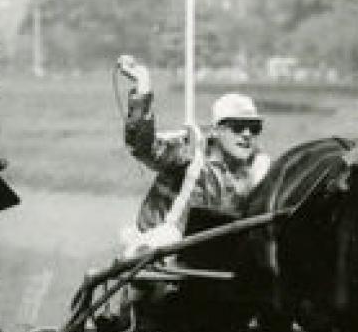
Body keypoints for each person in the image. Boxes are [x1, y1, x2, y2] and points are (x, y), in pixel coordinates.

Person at [115, 54, 272, 253]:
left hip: (220, 252)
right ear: (216, 130)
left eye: (254, 127)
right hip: (164, 248)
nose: (247, 134)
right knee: (164, 241)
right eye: (238, 126)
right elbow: (141, 146)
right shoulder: (190, 150)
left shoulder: (261, 168)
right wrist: (143, 87)